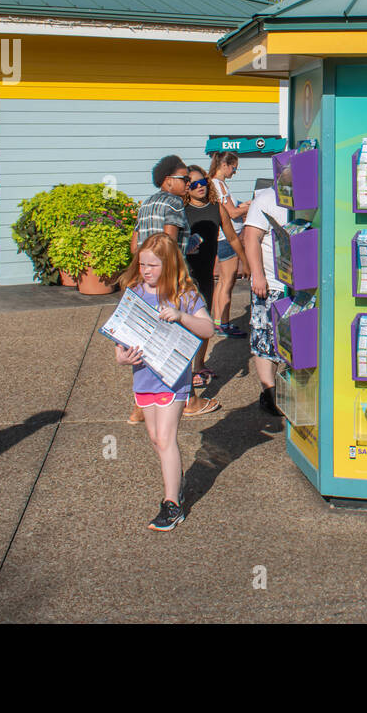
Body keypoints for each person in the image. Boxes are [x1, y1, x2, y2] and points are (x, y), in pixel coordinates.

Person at [113, 233, 215, 531]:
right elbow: (121, 331)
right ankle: (177, 485)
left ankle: (172, 504)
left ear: (169, 264)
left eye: (153, 266)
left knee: (166, 438)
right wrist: (120, 357)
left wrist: (181, 316)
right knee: (156, 438)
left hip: (172, 379)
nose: (146, 270)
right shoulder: (134, 291)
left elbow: (208, 328)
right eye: (142, 264)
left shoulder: (184, 294)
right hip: (143, 376)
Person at [128, 155, 196, 425]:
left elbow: (135, 245)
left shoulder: (147, 203)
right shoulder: (174, 202)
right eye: (184, 179)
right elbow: (168, 242)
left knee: (143, 339)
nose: (188, 184)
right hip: (168, 279)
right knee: (174, 339)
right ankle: (183, 400)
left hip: (143, 278)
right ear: (168, 181)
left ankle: (140, 405)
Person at [182, 163, 246, 412]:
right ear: (186, 187)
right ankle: (186, 379)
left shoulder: (216, 208)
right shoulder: (181, 210)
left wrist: (244, 261)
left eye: (203, 183)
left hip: (207, 276)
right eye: (194, 184)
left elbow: (231, 236)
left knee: (205, 324)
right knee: (188, 326)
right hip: (186, 278)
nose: (200, 187)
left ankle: (199, 366)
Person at [242, 183, 288, 416]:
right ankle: (269, 393)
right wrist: (257, 276)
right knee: (265, 339)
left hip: (297, 287)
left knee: (288, 340)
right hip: (270, 284)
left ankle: (286, 390)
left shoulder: (310, 198)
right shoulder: (266, 198)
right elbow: (250, 238)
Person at [208, 152, 251, 338]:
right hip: (227, 239)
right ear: (224, 165)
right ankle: (224, 325)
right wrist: (254, 206)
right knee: (228, 283)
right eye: (234, 168)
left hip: (221, 239)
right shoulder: (218, 185)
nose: (235, 172)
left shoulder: (213, 183)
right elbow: (232, 213)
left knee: (222, 284)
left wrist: (244, 204)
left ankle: (218, 322)